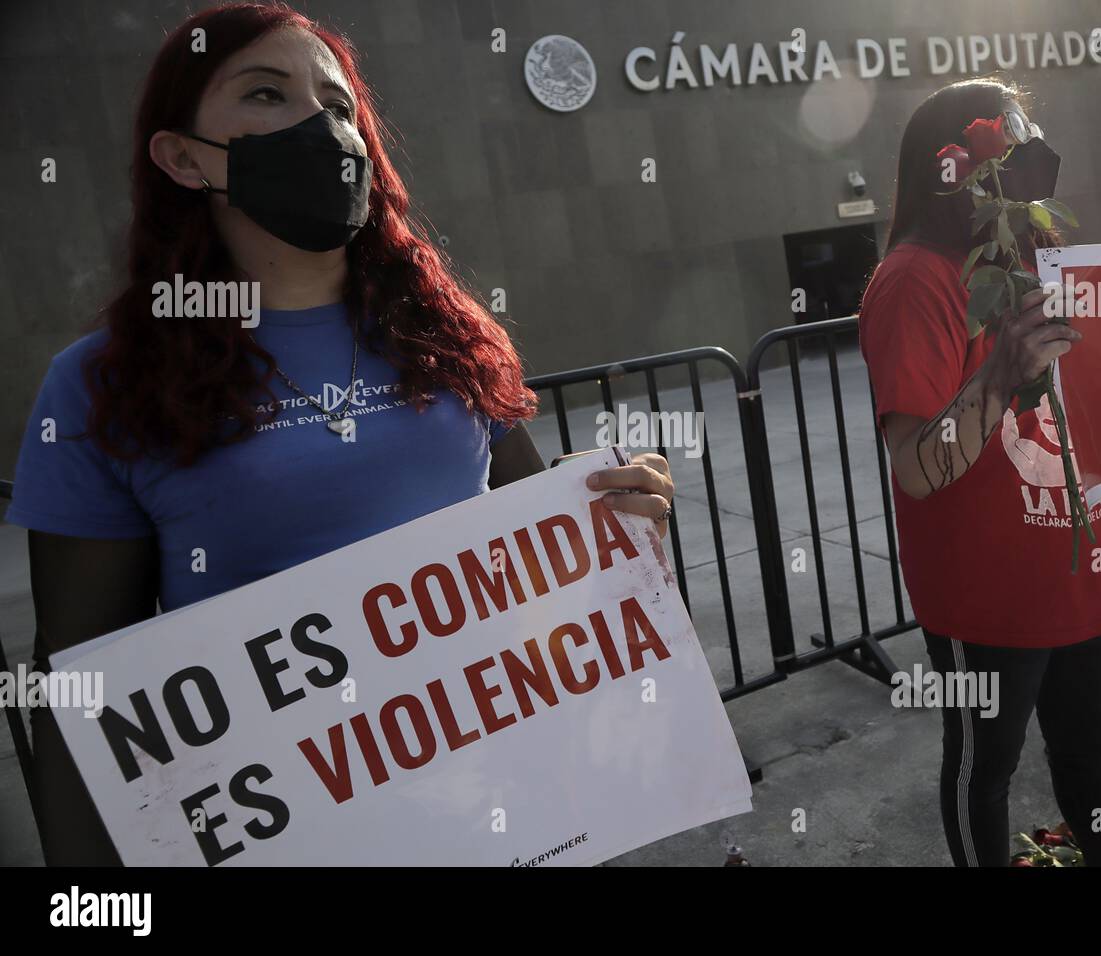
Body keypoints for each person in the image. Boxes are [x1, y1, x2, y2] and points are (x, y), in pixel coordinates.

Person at [7, 3, 674, 866]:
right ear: (179, 157)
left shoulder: (445, 328)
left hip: (504, 807)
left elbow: (525, 544)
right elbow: (85, 690)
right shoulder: (103, 383)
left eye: (337, 103)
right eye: (265, 94)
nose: (320, 126)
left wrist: (604, 509)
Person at [858, 78, 1101, 866]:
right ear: (954, 167)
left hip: (1082, 568)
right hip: (983, 596)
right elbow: (918, 468)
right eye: (1010, 145)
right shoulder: (914, 280)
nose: (1030, 165)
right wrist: (997, 378)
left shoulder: (1044, 253)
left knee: (1093, 761)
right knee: (986, 771)